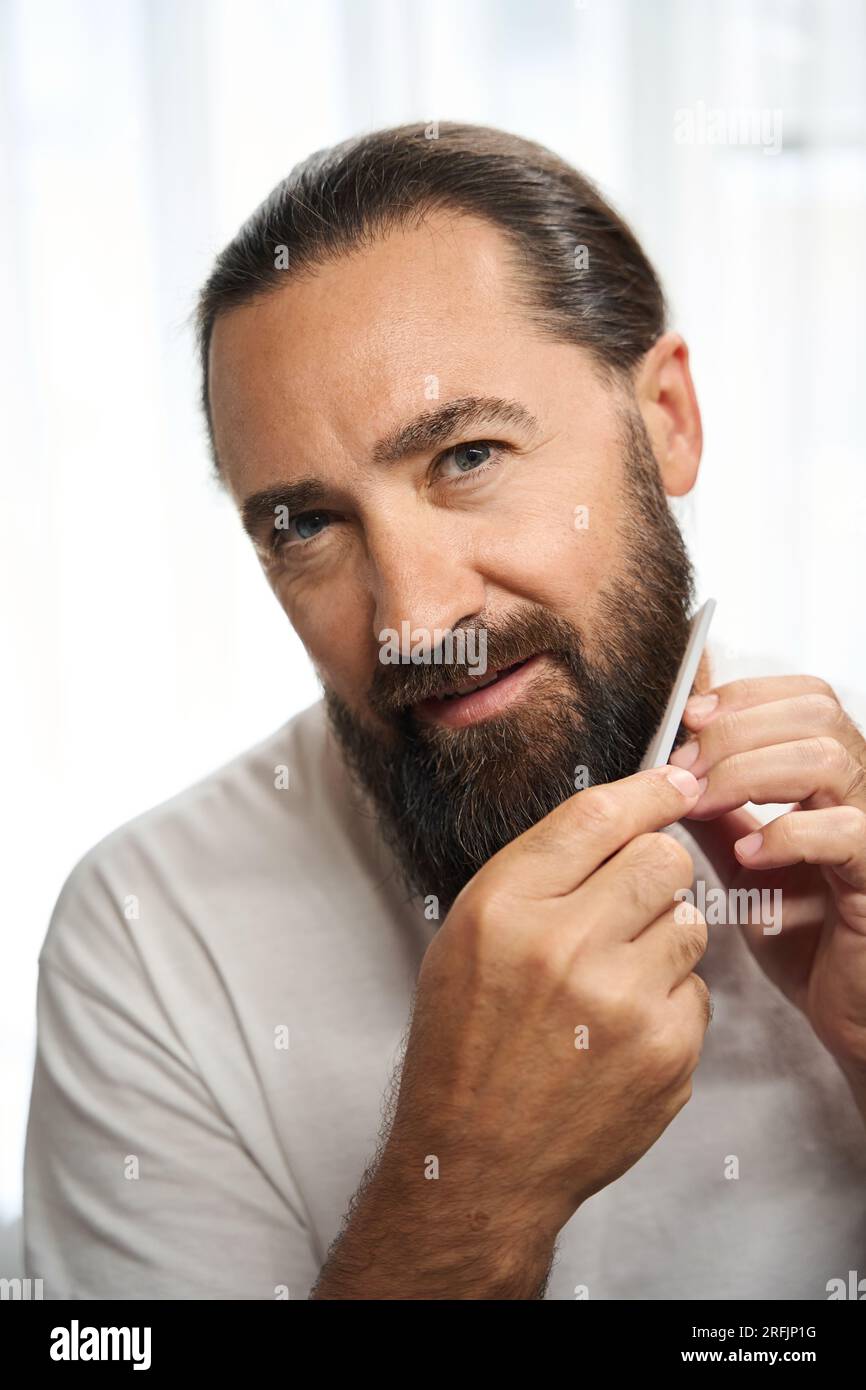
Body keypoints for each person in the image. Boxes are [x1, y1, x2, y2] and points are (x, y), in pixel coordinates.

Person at [24, 123, 866, 1301]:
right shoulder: (148, 935)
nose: (413, 616)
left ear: (665, 419)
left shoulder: (851, 842)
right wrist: (471, 1186)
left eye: (466, 456)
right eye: (306, 526)